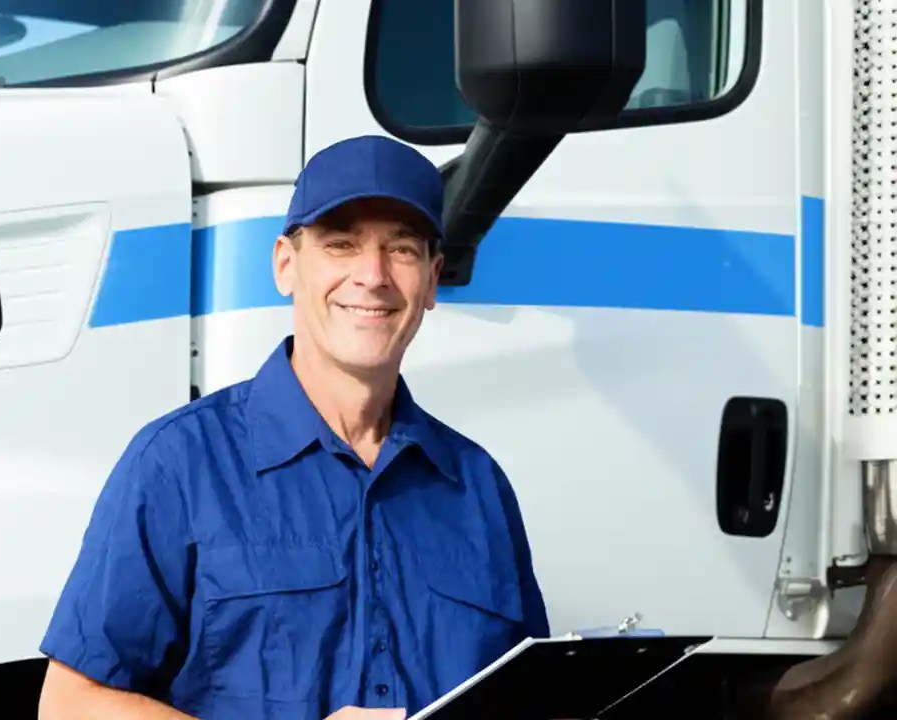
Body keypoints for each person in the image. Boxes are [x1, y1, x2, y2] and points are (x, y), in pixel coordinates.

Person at [36, 135, 549, 720]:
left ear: (432, 280)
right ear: (285, 264)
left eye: (402, 250)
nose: (373, 275)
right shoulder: (180, 463)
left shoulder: (477, 485)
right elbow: (72, 705)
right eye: (341, 245)